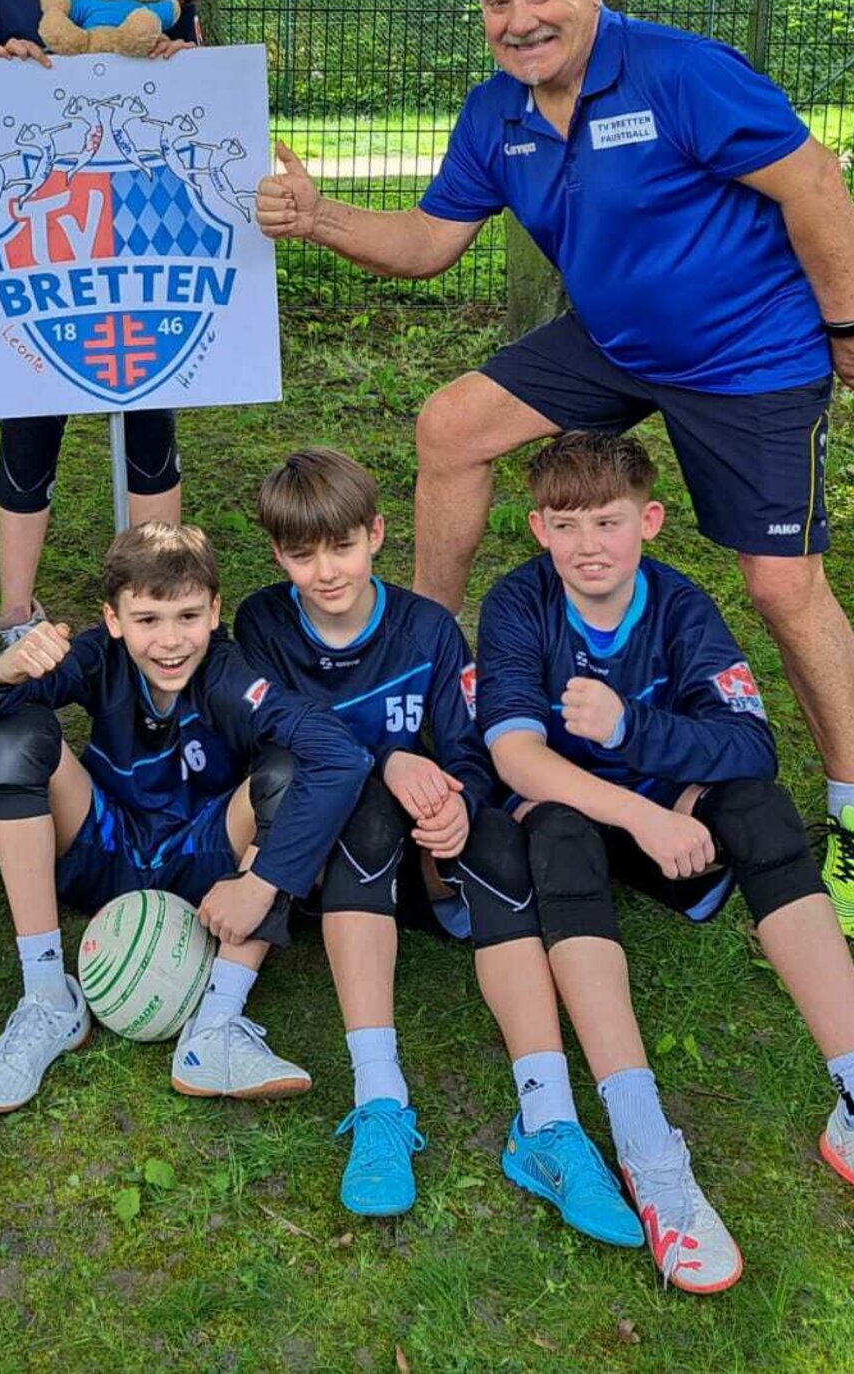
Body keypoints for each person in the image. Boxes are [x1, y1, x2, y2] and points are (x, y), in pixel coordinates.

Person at [257, 0, 854, 937]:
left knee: (781, 585)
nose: (517, 19)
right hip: (615, 343)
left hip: (747, 355)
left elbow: (813, 185)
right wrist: (318, 216)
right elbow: (430, 244)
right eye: (494, 1)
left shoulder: (679, 73)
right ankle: (427, 675)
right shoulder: (494, 115)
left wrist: (852, 324)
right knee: (450, 424)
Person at [477, 432, 854, 1290]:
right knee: (550, 825)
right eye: (566, 524)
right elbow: (516, 757)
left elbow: (751, 745)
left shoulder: (680, 604)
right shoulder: (519, 605)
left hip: (676, 827)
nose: (589, 544)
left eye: (609, 521)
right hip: (584, 829)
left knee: (761, 807)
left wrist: (633, 731)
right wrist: (640, 812)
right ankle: (647, 1151)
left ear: (650, 521)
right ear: (537, 529)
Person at [234, 448, 641, 1237]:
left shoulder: (427, 629)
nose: (325, 571)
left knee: (493, 842)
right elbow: (268, 749)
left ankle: (548, 1123)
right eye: (302, 553)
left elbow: (469, 750)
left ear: (377, 534)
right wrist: (386, 758)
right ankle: (379, 1101)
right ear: (279, 554)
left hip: (425, 862)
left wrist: (456, 807)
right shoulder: (262, 624)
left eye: (342, 546)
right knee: (365, 804)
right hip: (306, 853)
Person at [0, 522, 369, 1117]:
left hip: (204, 864)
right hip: (104, 844)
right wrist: (3, 668)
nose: (170, 641)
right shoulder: (99, 653)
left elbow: (341, 756)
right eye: (148, 619)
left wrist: (261, 882)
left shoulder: (228, 674)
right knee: (14, 733)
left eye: (188, 617)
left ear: (214, 611)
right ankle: (47, 996)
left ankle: (216, 1026)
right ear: (114, 617)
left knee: (286, 771)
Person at [0, 0, 199, 647]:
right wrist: (3, 63)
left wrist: (184, 62)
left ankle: (159, 598)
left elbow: (199, 103)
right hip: (43, 230)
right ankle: (17, 612)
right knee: (30, 411)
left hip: (144, 227)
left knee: (150, 405)